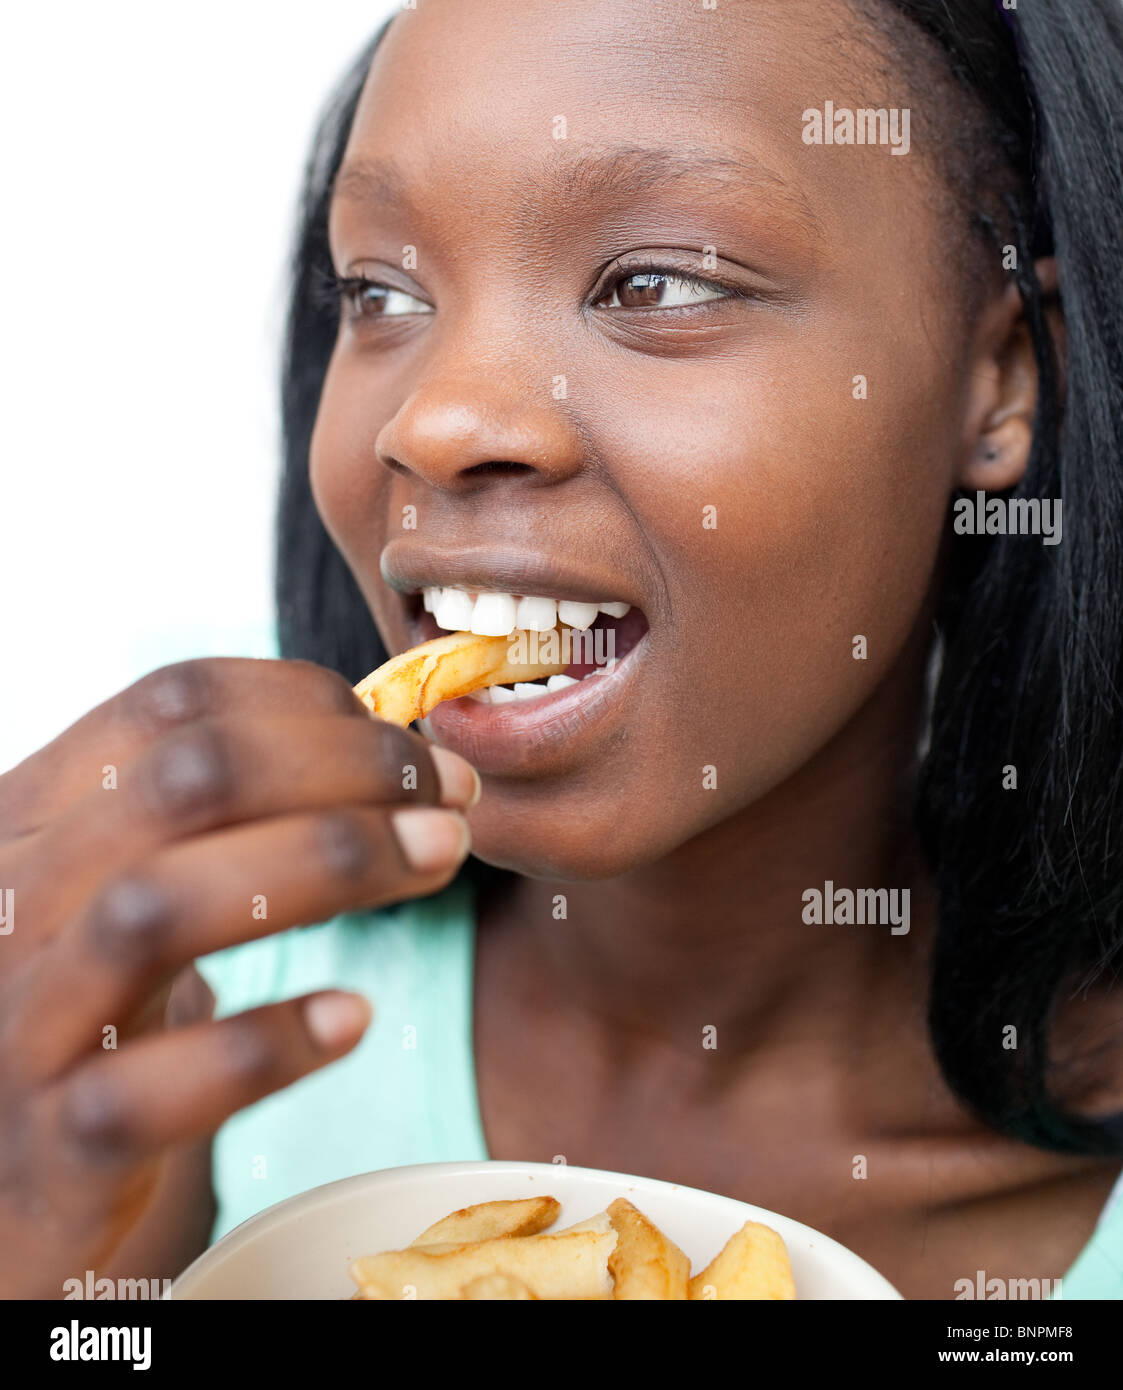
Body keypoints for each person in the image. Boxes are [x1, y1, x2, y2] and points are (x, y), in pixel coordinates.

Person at [3, 0, 1123, 1301]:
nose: (439, 419)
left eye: (657, 282)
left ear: (1000, 375)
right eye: (381, 291)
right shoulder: (194, 938)